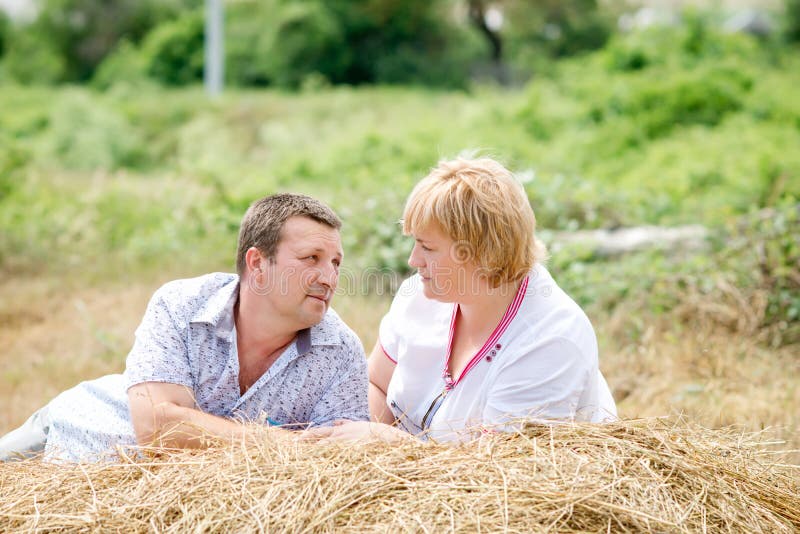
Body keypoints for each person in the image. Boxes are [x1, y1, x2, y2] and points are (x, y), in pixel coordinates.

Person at [0, 193, 369, 462]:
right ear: (257, 263)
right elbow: (158, 428)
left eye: (336, 263)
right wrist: (292, 444)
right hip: (71, 430)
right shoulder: (181, 304)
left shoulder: (341, 353)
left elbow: (340, 460)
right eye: (312, 259)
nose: (330, 277)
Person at [325, 157, 616, 443]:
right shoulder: (420, 297)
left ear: (482, 253)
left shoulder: (550, 343)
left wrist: (391, 443)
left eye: (427, 247)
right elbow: (377, 383)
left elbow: (500, 477)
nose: (413, 260)